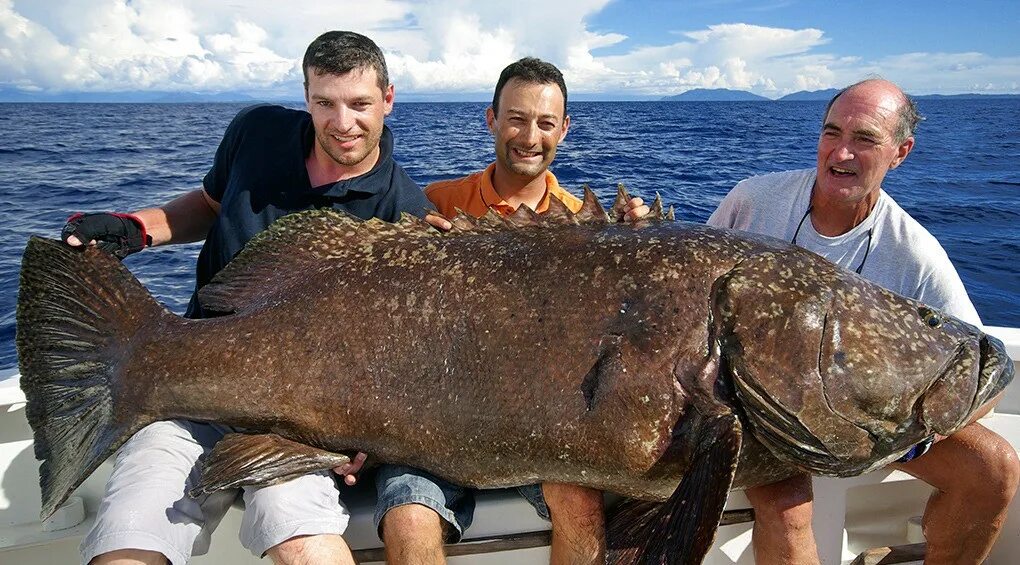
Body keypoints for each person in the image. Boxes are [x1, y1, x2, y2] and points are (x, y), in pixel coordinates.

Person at [61, 31, 443, 565]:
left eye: (359, 104)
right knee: (129, 540)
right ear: (305, 96)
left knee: (305, 541)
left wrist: (372, 433)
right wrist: (137, 228)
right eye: (324, 103)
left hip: (296, 428)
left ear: (388, 99)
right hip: (187, 392)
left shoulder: (405, 216)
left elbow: (408, 359)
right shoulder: (256, 131)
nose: (342, 122)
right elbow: (211, 203)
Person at [708, 78, 1020, 564]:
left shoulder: (913, 252)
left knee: (993, 468)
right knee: (788, 509)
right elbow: (684, 289)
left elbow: (984, 368)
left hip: (861, 421)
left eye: (865, 139)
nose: (842, 152)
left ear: (900, 152)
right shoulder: (754, 200)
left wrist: (910, 437)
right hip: (749, 403)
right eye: (832, 133)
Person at [381, 57, 648, 565]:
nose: (530, 135)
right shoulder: (435, 203)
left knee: (579, 500)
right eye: (517, 118)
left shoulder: (586, 226)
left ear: (564, 129)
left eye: (546, 122)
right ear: (491, 119)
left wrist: (636, 243)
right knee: (409, 513)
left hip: (535, 429)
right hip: (431, 419)